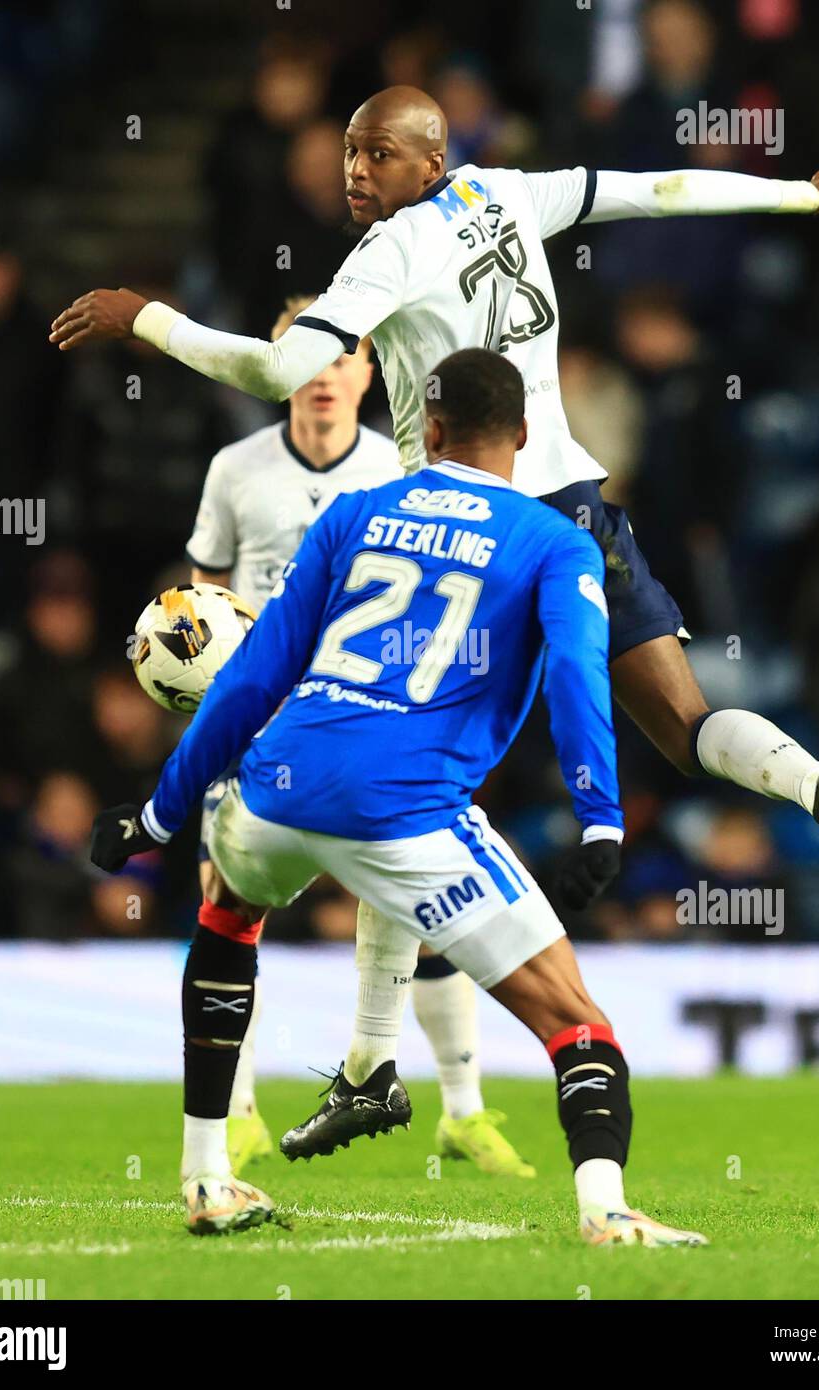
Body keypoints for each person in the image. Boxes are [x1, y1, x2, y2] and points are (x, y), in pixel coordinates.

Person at [52, 84, 819, 1152]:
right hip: (578, 515)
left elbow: (281, 367)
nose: (352, 171)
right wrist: (800, 193)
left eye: (374, 155)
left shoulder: (389, 254)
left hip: (462, 534)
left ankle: (373, 1067)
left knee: (391, 780)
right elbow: (653, 192)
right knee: (683, 729)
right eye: (349, 153)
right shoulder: (512, 191)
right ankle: (811, 782)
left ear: (425, 159)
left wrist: (149, 317)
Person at [90, 349, 705, 1248]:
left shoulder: (355, 513)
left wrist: (157, 816)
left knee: (227, 912)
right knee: (577, 1021)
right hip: (405, 809)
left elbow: (254, 677)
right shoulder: (555, 540)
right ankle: (605, 1211)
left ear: (431, 429)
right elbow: (577, 673)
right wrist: (600, 816)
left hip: (280, 786)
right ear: (527, 436)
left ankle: (206, 1177)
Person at [187, 296, 534, 1178]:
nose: (324, 373)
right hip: (266, 721)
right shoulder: (234, 469)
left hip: (378, 718)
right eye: (303, 355)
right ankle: (238, 1113)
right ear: (278, 368)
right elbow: (205, 599)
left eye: (344, 356)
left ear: (370, 372)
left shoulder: (400, 468)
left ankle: (463, 1109)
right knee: (229, 902)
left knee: (418, 915)